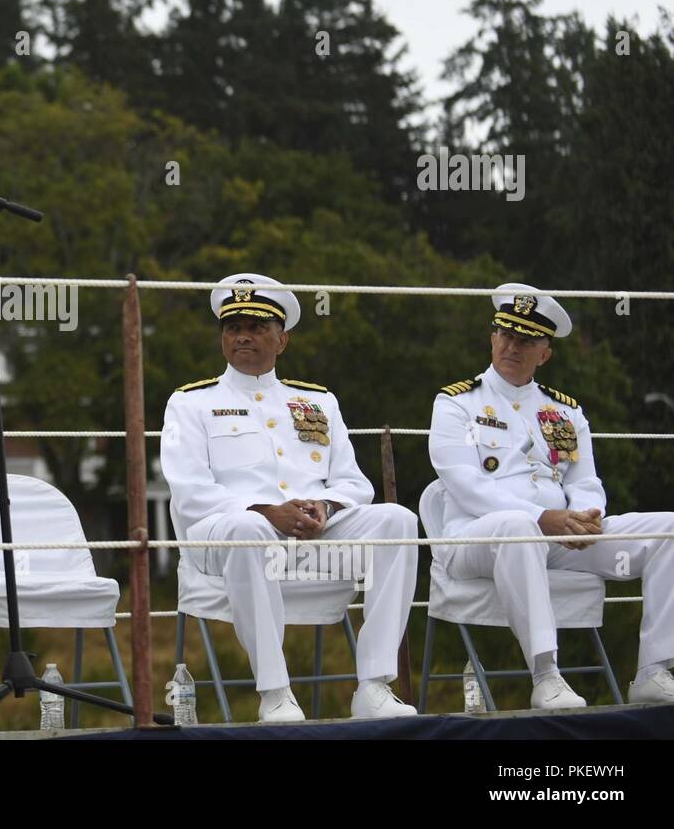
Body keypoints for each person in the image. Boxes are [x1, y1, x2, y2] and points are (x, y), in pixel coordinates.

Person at [160, 274, 418, 721]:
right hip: (229, 534)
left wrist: (326, 506)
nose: (242, 335)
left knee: (397, 520)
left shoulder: (317, 402)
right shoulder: (191, 403)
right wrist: (265, 511)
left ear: (282, 340)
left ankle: (374, 685)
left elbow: (354, 483)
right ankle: (275, 692)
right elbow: (190, 489)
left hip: (313, 535)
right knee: (249, 528)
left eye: (257, 327)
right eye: (232, 326)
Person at [428, 283, 674, 708]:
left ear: (545, 353)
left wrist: (584, 517)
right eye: (506, 335)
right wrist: (544, 518)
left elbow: (584, 482)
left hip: (557, 538)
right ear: (492, 338)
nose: (513, 346)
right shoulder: (457, 403)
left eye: (527, 340)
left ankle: (653, 670)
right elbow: (465, 484)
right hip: (475, 539)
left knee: (668, 529)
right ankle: (546, 675)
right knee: (519, 525)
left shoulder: (565, 412)